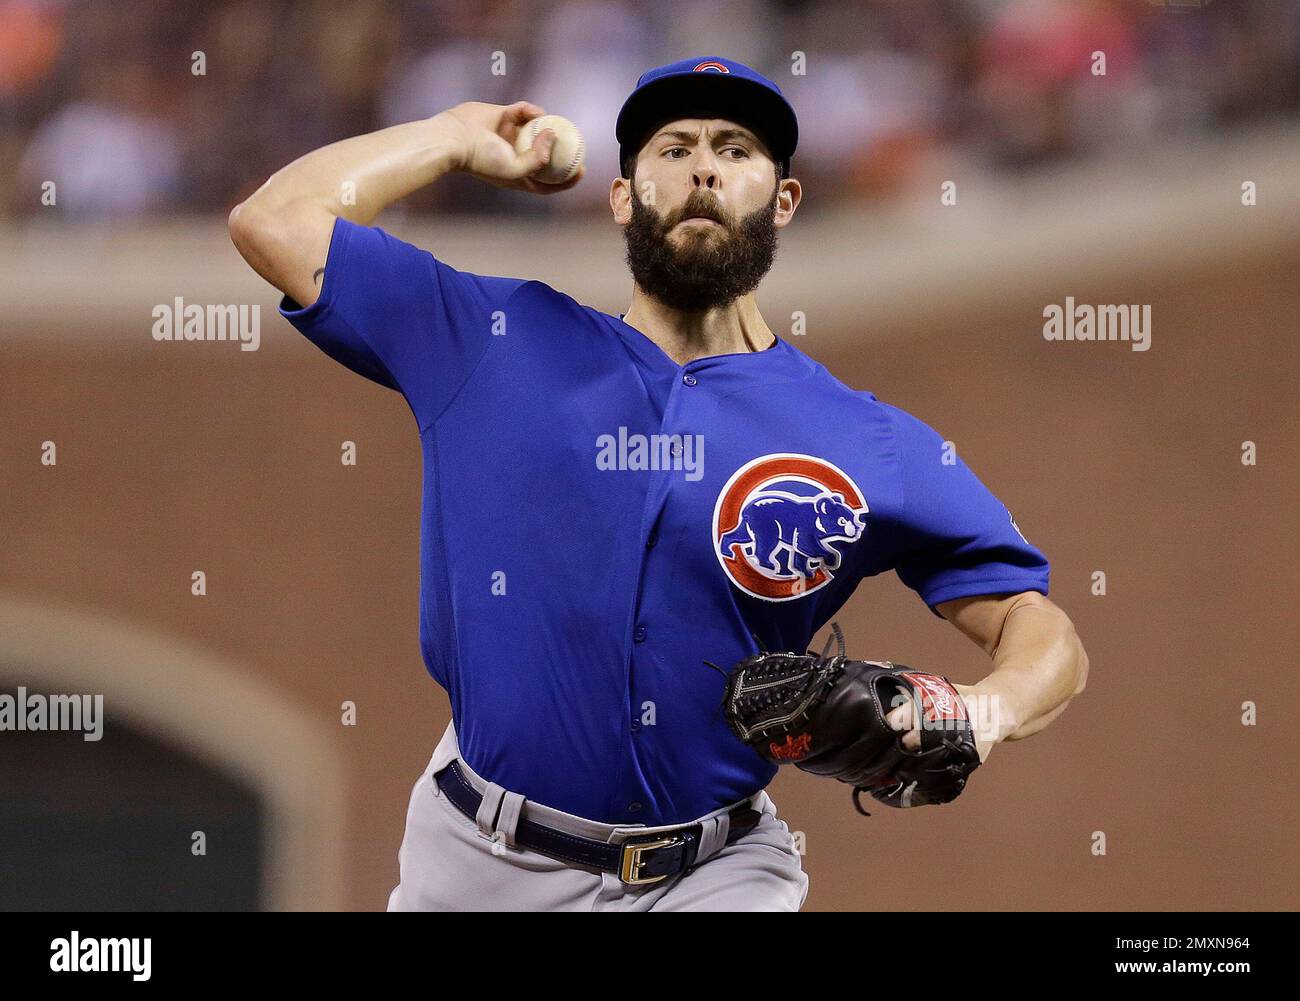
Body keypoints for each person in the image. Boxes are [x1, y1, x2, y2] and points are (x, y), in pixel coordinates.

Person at [228, 56, 1089, 912]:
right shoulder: (492, 340)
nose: (704, 165)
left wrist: (981, 712)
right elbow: (275, 220)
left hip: (713, 875)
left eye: (736, 149)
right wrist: (451, 139)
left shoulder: (869, 441)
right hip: (475, 861)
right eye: (672, 149)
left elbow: (1042, 630)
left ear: (782, 202)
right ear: (621, 197)